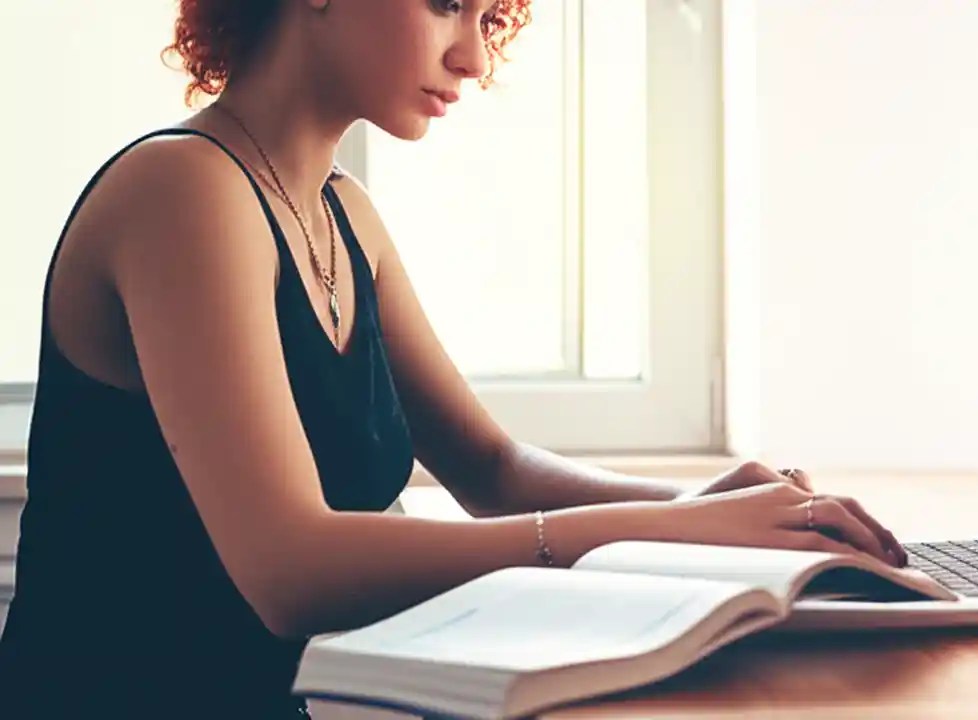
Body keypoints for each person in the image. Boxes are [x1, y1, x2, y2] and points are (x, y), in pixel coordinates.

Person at [0, 0, 907, 716]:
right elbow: (289, 571)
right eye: (446, 4)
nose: (473, 56)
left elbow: (493, 467)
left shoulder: (342, 213)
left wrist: (714, 504)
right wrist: (673, 530)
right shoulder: (182, 190)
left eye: (484, 18)